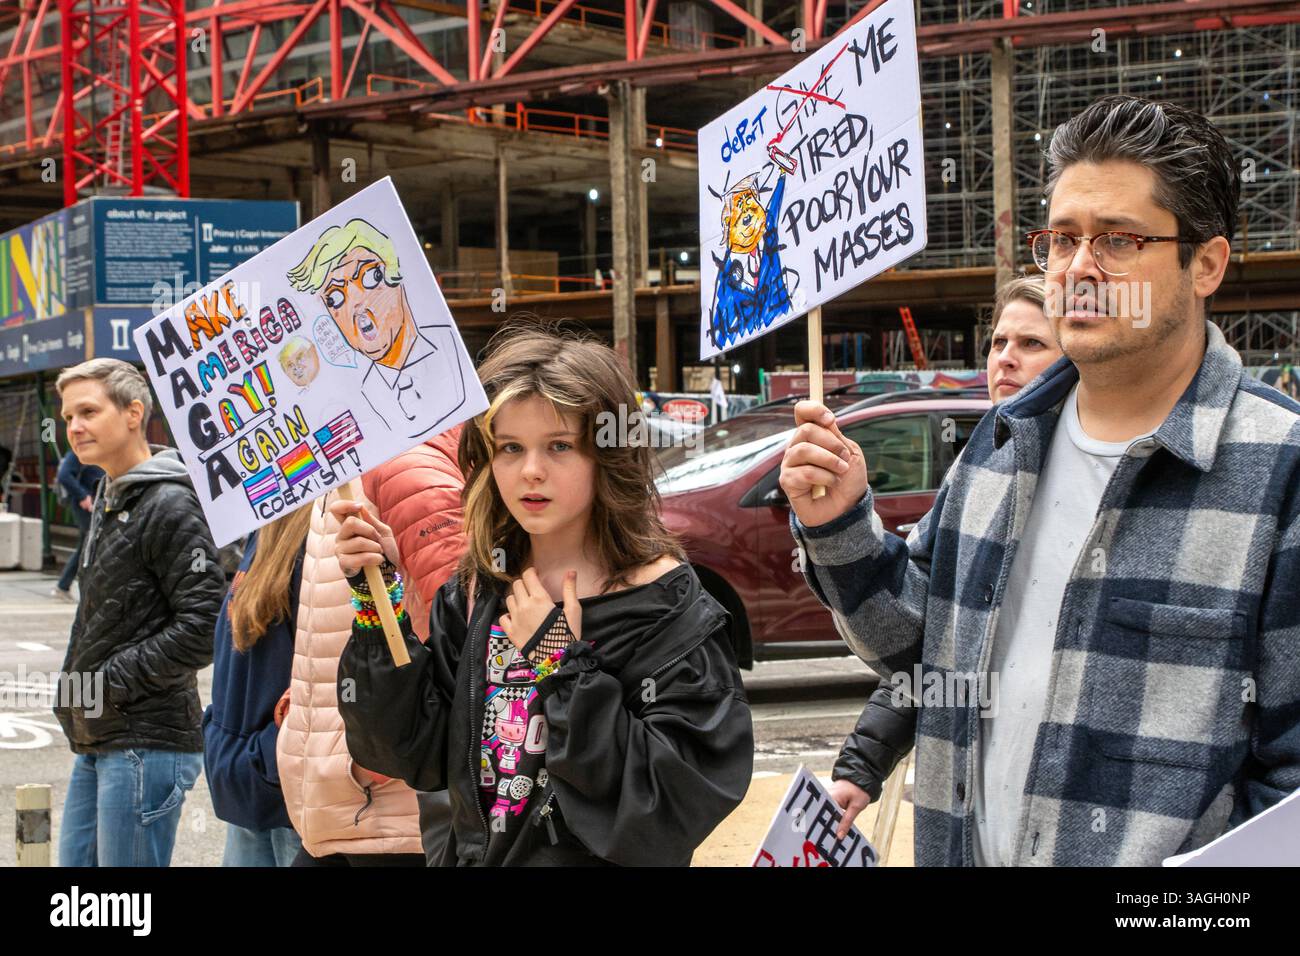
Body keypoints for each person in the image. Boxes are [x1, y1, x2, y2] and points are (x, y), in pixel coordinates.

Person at [781, 95, 1300, 866]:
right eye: (1060, 240)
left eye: (1117, 240)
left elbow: (1289, 780)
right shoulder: (1000, 445)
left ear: (1207, 265)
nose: (1077, 268)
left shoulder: (1279, 467)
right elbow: (917, 660)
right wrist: (840, 525)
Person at [334, 322, 754, 866]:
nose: (531, 471)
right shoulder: (480, 588)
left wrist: (561, 662)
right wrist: (379, 601)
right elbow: (412, 749)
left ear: (608, 455)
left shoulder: (668, 608)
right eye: (511, 447)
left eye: (559, 446)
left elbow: (671, 805)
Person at [829, 275, 1061, 839]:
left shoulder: (1096, 473)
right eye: (998, 343)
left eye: (1031, 344)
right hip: (972, 808)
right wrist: (862, 766)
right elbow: (938, 638)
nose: (1005, 359)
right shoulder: (978, 466)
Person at [53, 358, 225, 867]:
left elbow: (203, 624)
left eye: (87, 411)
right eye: (66, 418)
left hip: (144, 743)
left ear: (133, 413)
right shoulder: (113, 494)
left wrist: (108, 683)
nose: (74, 427)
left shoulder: (168, 503)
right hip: (100, 733)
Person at [275, 425, 467, 867]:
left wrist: (372, 759)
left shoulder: (403, 460)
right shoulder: (342, 469)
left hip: (385, 807)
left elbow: (467, 634)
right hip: (345, 799)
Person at [204, 508, 310, 867]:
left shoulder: (324, 527)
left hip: (289, 782)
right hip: (250, 776)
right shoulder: (264, 528)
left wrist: (272, 750)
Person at [52, 449, 104, 601]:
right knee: (90, 545)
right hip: (86, 505)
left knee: (87, 545)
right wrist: (83, 495)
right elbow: (64, 475)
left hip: (93, 504)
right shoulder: (79, 450)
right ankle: (69, 586)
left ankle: (64, 585)